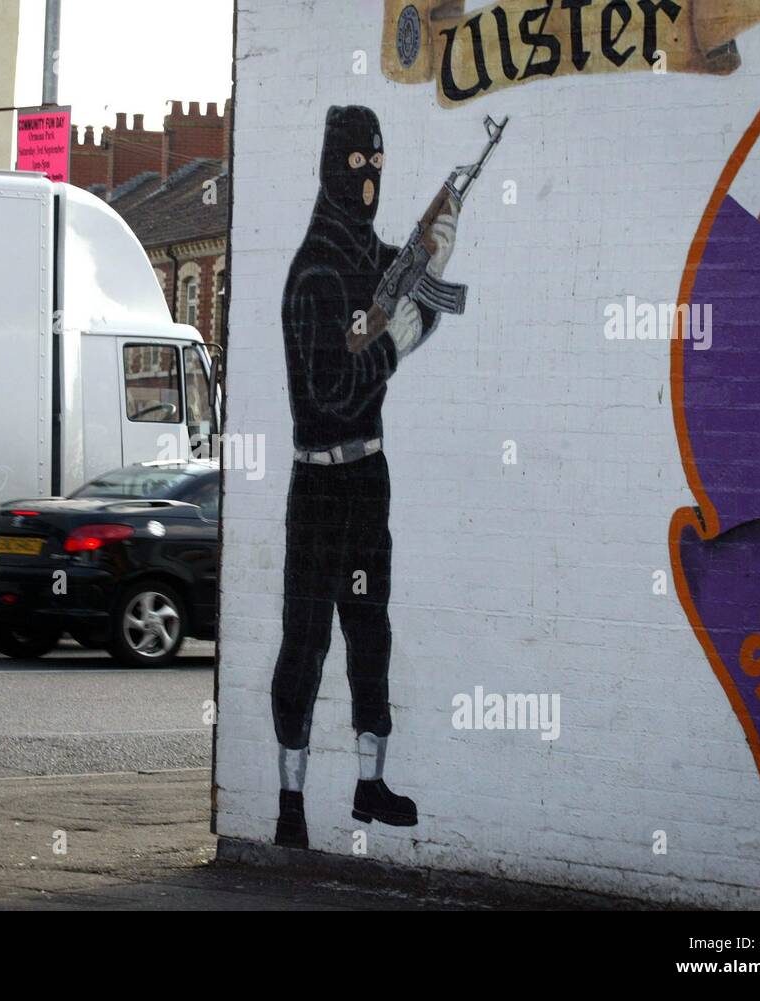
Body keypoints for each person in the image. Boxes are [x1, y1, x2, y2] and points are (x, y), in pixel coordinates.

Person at [271, 105, 461, 848]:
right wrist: (395, 342)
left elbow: (406, 287)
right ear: (331, 167)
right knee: (306, 637)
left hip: (366, 476)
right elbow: (328, 391)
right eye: (356, 164)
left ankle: (368, 780)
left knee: (369, 627)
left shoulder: (365, 257)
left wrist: (433, 257)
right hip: (320, 485)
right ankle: (290, 798)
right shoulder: (315, 271)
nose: (369, 178)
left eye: (377, 162)